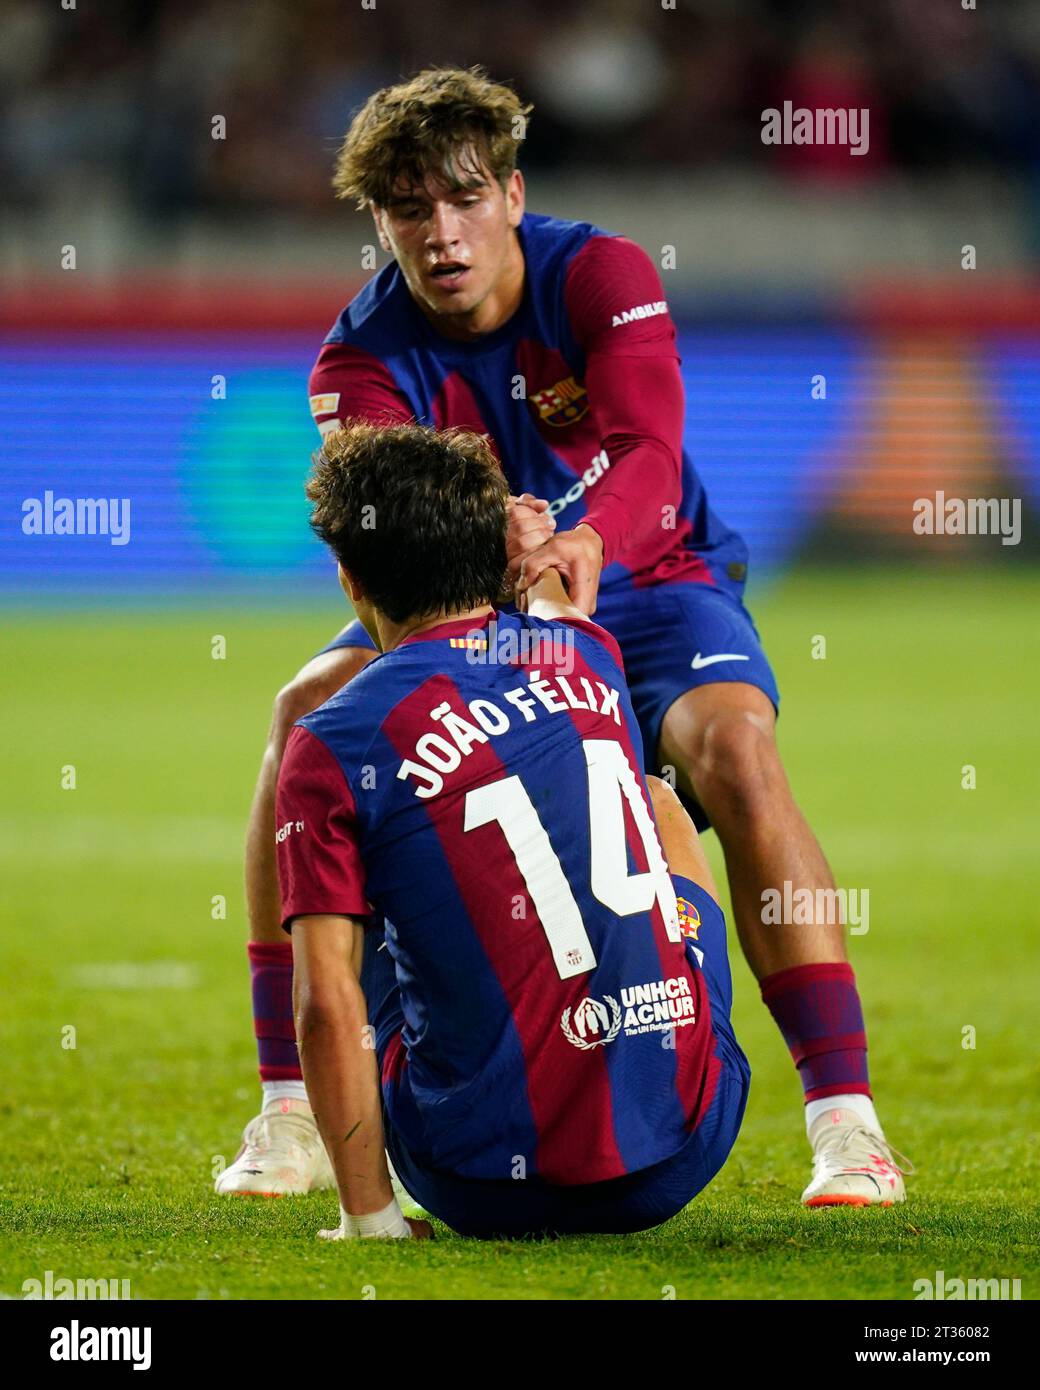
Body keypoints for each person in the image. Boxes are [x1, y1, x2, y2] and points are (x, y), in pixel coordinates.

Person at [218, 66, 908, 1209]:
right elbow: (401, 529)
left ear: (512, 193)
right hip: (471, 598)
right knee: (301, 713)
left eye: (464, 199)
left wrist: (581, 543)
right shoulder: (355, 362)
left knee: (731, 752)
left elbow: (647, 448)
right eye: (407, 211)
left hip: (645, 571)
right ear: (380, 223)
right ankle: (290, 1108)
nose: (440, 235)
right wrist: (504, 549)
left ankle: (846, 1125)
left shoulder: (602, 272)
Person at [275, 420, 749, 1239]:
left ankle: (374, 1203)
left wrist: (371, 1219)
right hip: (686, 1146)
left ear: (353, 582)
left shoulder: (333, 739)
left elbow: (324, 1005)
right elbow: (553, 599)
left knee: (375, 891)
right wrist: (531, 553)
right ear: (492, 562)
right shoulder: (588, 651)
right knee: (661, 806)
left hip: (476, 1185)